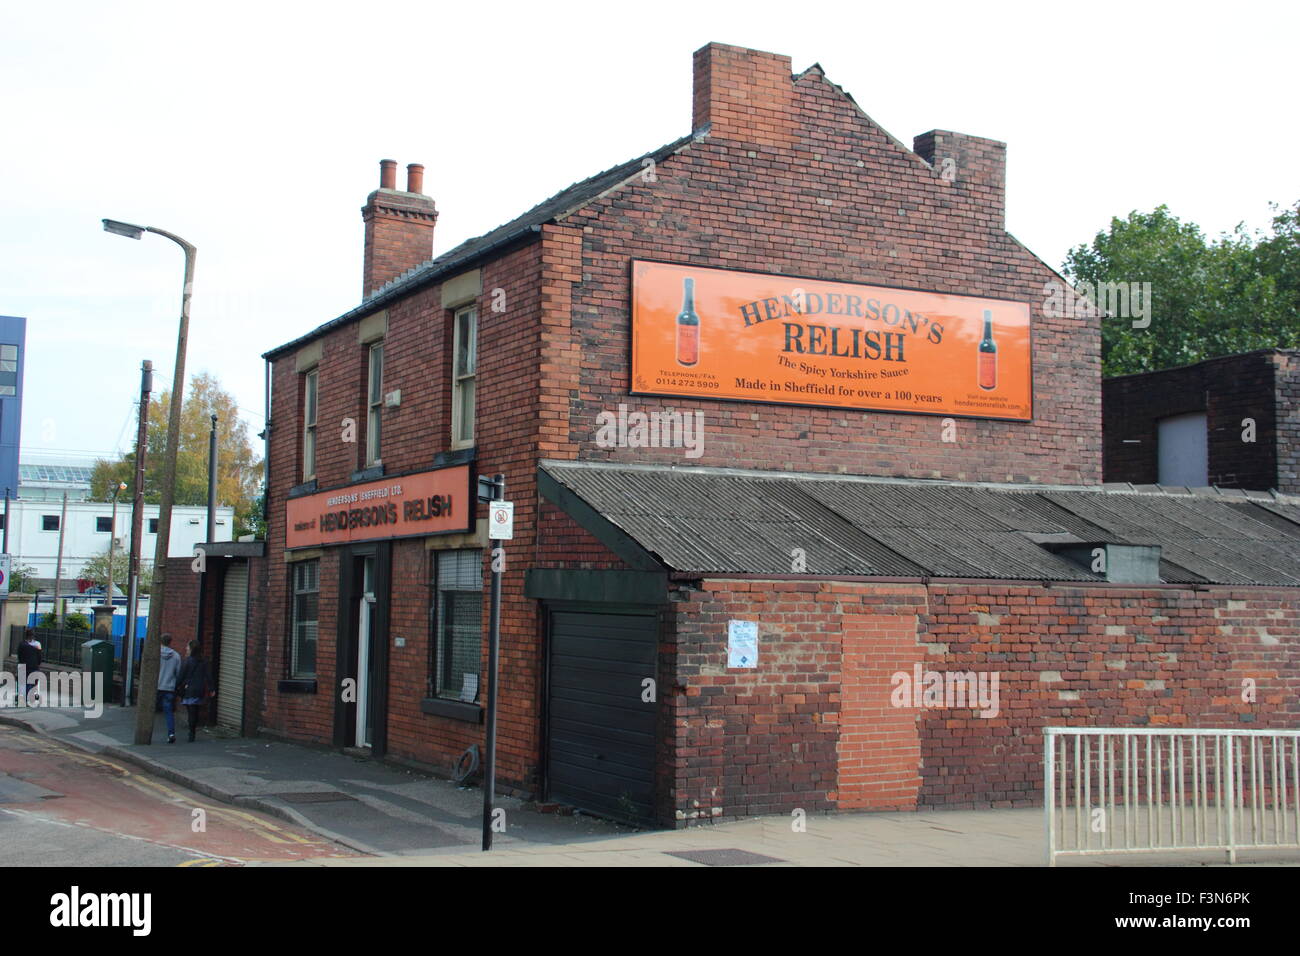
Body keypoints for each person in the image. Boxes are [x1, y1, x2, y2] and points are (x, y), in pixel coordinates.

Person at [176, 641, 213, 742]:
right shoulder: (204, 662)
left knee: (191, 711)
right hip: (199, 689)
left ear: (191, 649)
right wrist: (211, 688)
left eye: (187, 647)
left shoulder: (187, 661)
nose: (186, 649)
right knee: (195, 711)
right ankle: (193, 729)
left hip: (189, 689)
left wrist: (176, 687)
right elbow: (208, 676)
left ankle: (191, 732)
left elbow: (181, 676)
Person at [158, 633, 182, 744]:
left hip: (157, 687)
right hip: (169, 688)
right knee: (169, 712)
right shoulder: (176, 656)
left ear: (161, 641)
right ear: (170, 642)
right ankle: (171, 733)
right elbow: (178, 674)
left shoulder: (155, 654)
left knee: (149, 710)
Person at [16, 629, 41, 704]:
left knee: (21, 684)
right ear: (33, 636)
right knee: (30, 683)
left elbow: (19, 656)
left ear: (26, 636)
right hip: (33, 666)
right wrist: (38, 664)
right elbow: (39, 657)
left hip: (22, 666)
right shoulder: (37, 645)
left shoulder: (21, 644)